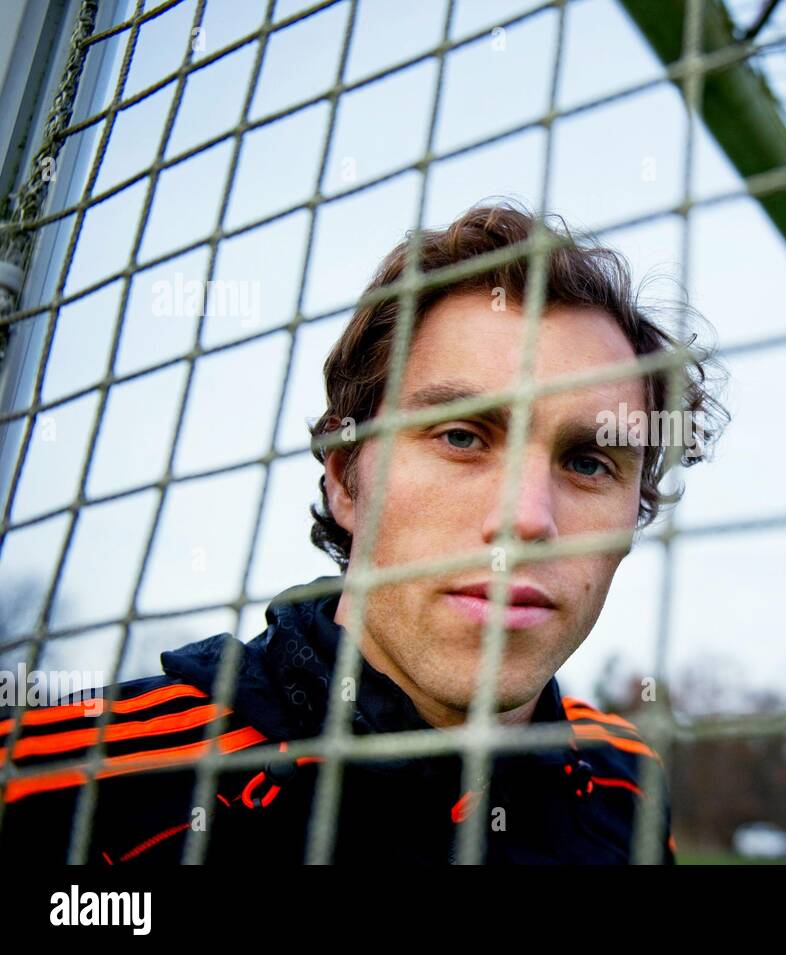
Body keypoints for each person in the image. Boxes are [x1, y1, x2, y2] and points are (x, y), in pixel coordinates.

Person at [0, 201, 729, 864]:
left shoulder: (627, 779)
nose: (529, 516)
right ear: (347, 478)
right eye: (462, 436)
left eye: (588, 460)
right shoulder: (62, 779)